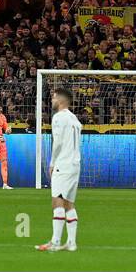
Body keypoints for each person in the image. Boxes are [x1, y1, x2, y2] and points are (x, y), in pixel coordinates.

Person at [37, 88, 82, 252]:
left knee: (57, 201)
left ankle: (55, 242)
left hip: (63, 163)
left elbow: (58, 143)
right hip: (75, 164)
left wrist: (52, 162)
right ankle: (71, 243)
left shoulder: (59, 117)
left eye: (54, 98)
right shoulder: (74, 119)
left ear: (61, 101)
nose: (52, 100)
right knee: (69, 203)